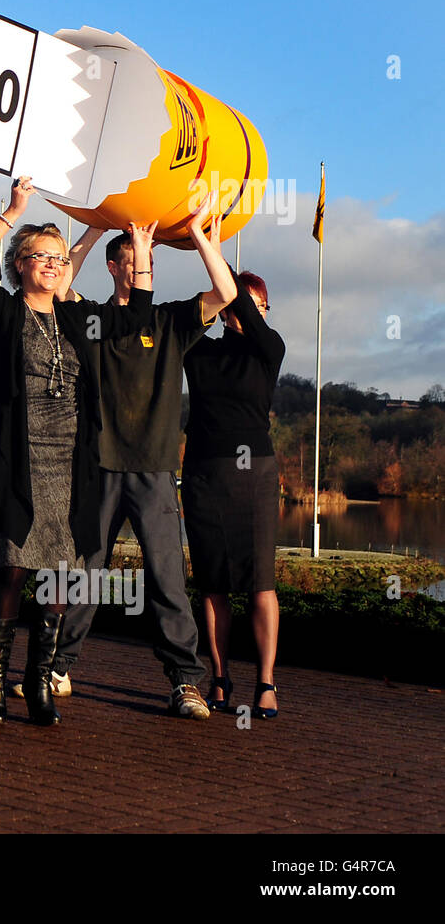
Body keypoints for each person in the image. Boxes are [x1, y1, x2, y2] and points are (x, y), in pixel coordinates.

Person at [0, 181, 157, 726]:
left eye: (58, 257)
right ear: (20, 265)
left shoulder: (76, 318)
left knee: (59, 576)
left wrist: (140, 254)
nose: (51, 264)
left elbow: (133, 318)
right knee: (11, 572)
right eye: (41, 257)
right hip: (16, 464)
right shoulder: (2, 313)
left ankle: (38, 676)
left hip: (71, 466)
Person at [45, 196, 236, 719]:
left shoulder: (172, 321)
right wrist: (93, 227)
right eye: (132, 254)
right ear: (114, 265)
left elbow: (227, 291)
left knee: (168, 579)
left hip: (153, 470)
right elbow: (58, 288)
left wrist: (198, 234)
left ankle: (185, 683)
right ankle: (59, 668)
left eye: (148, 255)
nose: (141, 262)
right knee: (83, 572)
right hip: (101, 466)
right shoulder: (94, 321)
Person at [182, 270, 285, 718]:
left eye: (258, 306)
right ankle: (220, 678)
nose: (250, 311)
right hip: (204, 473)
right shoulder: (200, 350)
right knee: (213, 584)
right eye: (243, 304)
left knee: (261, 582)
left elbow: (245, 312)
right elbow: (180, 322)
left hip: (254, 475)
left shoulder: (268, 349)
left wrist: (216, 253)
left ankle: (266, 682)